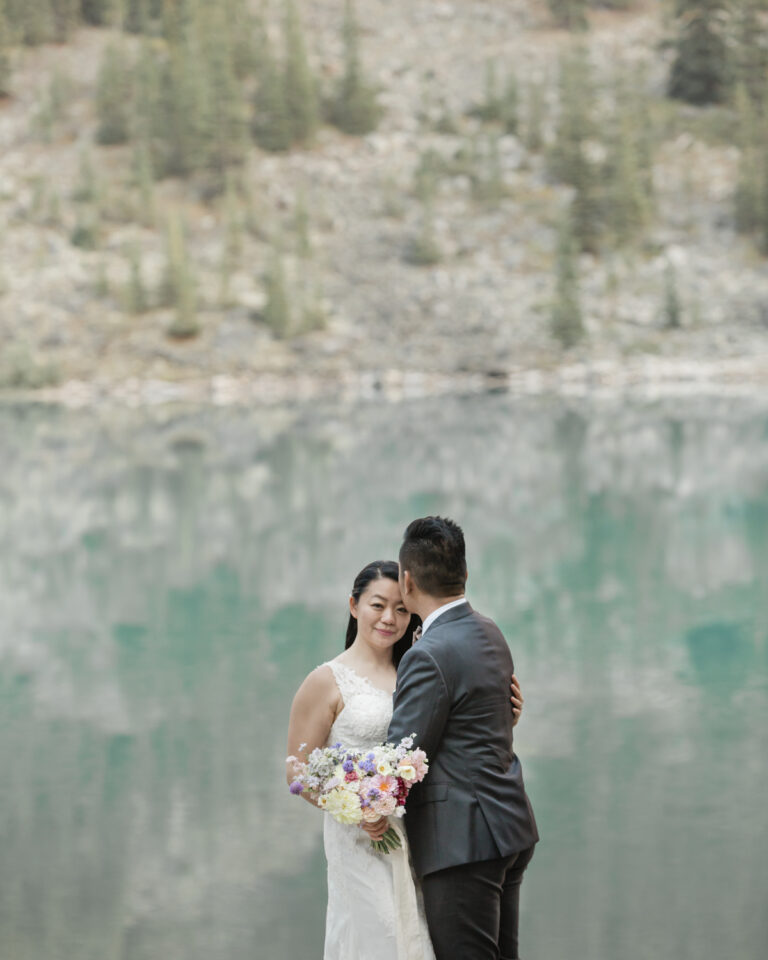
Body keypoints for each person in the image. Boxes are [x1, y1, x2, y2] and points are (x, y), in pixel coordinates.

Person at [286, 559, 525, 960]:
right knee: (380, 935)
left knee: (422, 939)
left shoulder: (418, 667)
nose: (389, 618)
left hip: (422, 832)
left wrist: (505, 717)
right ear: (353, 605)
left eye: (400, 609)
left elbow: (446, 742)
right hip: (361, 839)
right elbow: (297, 768)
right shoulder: (326, 680)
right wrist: (356, 808)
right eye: (377, 605)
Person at [380, 517, 539, 960]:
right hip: (508, 826)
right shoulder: (488, 631)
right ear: (464, 573)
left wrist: (366, 801)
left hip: (462, 842)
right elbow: (482, 720)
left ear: (407, 581)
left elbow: (403, 758)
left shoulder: (428, 654)